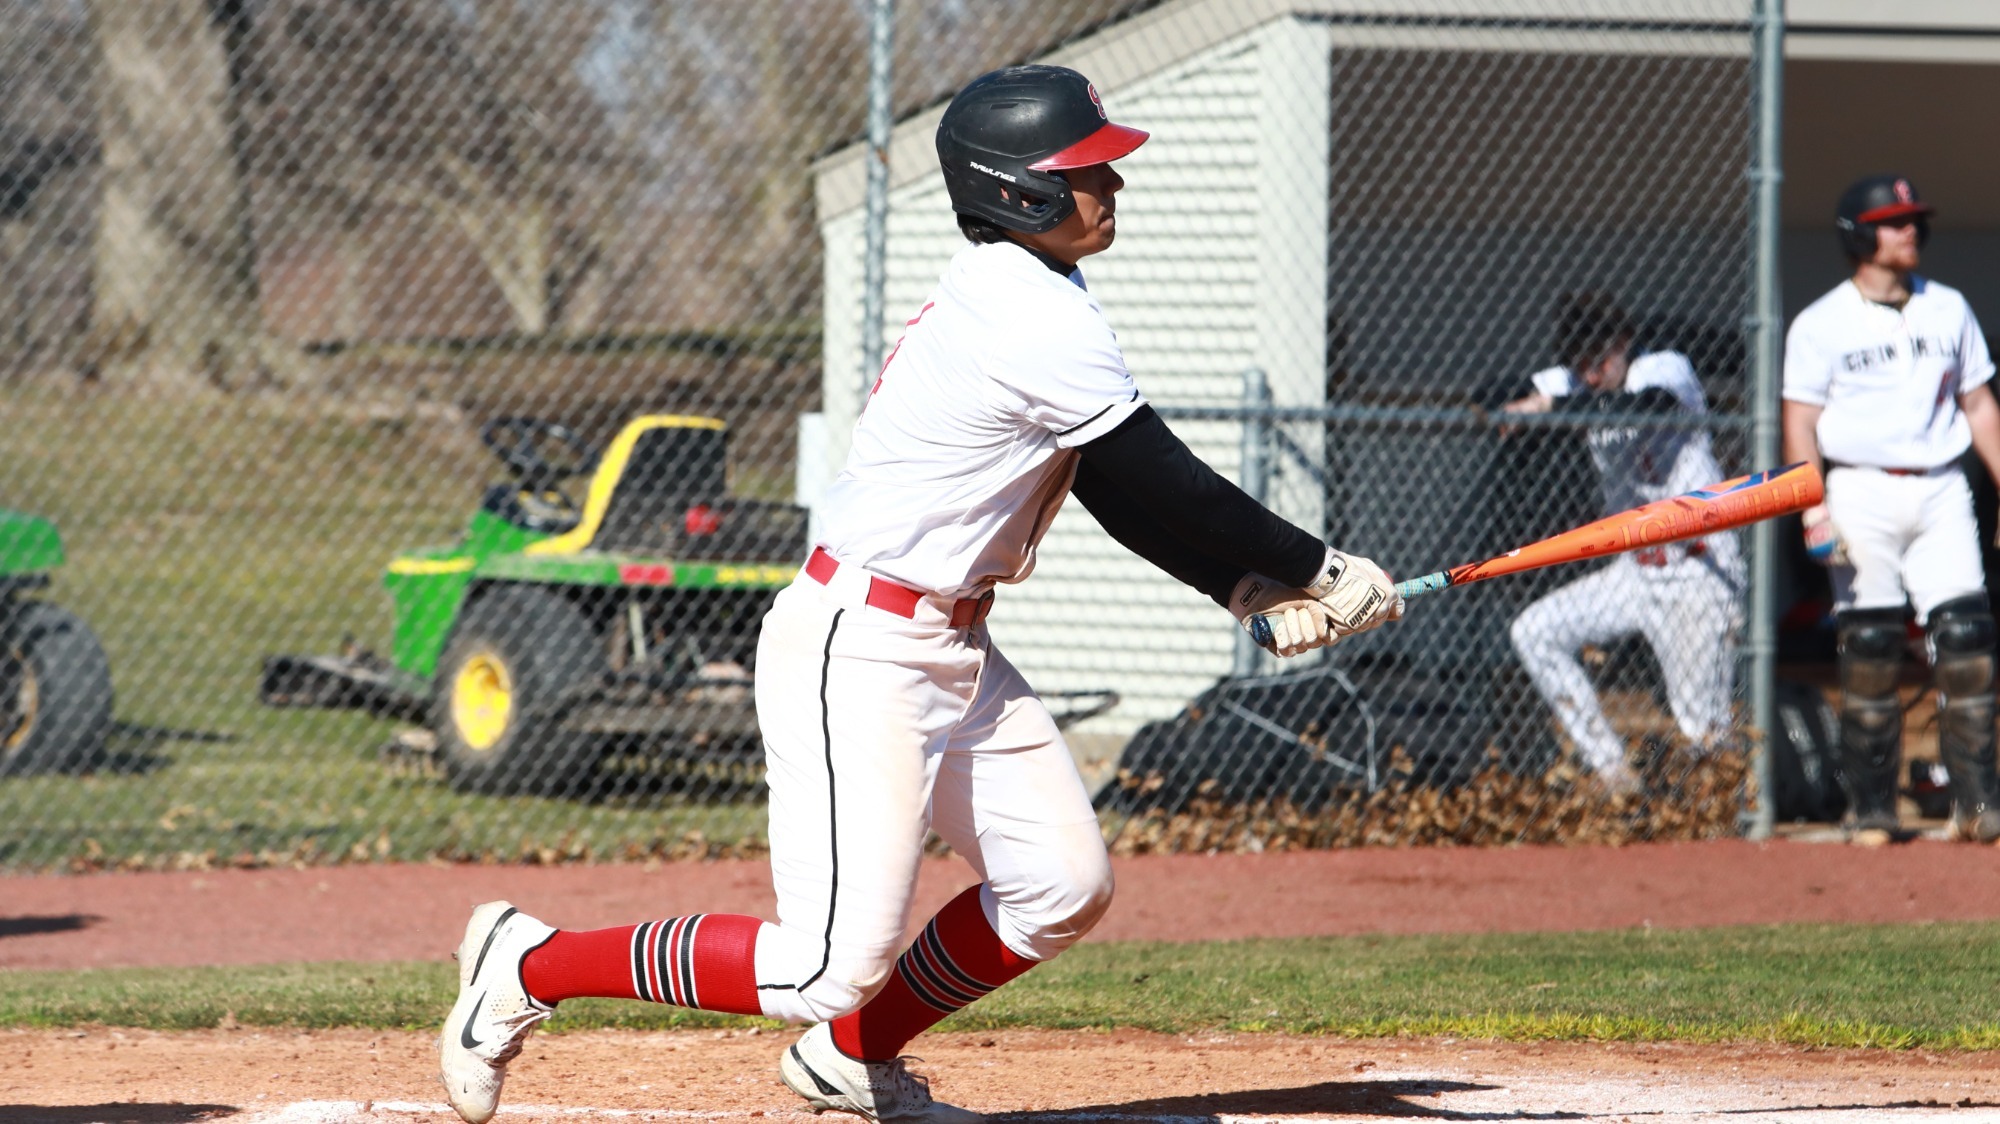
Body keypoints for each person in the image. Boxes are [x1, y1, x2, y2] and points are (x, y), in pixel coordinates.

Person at [436, 64, 1402, 1124]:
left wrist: (1239, 586)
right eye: (1085, 172)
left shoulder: (1035, 292)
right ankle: (529, 961)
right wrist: (1317, 566)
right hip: (858, 647)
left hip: (952, 645)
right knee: (817, 965)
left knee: (1059, 886)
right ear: (1017, 189)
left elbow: (1111, 487)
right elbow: (1162, 475)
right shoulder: (1029, 313)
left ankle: (851, 1057)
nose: (1108, 188)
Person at [1781, 173, 2000, 846]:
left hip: (1939, 483)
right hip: (1860, 487)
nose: (1910, 231)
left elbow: (1979, 404)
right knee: (1871, 645)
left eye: (1914, 220)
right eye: (1894, 221)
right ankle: (1871, 808)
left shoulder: (1948, 307)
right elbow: (1801, 422)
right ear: (1858, 234)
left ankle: (1978, 803)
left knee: (1966, 640)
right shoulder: (1821, 322)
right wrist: (1812, 508)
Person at [1501, 293, 1744, 793]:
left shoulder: (1661, 368)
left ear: (1624, 345)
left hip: (1698, 573)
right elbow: (1492, 393)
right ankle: (1613, 772)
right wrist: (1518, 403)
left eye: (1600, 359)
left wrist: (1551, 407)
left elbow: (1647, 405)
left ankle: (1727, 824)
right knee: (1535, 632)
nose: (1590, 374)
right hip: (1633, 574)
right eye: (1580, 363)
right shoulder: (1571, 384)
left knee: (1703, 729)